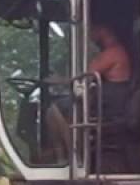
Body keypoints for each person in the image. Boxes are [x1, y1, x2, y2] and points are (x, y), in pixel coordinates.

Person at [43, 22, 134, 161]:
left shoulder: (112, 53)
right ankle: (64, 154)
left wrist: (59, 80)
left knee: (54, 110)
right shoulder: (117, 51)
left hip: (108, 105)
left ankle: (72, 155)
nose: (90, 35)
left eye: (91, 30)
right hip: (104, 100)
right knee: (64, 108)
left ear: (102, 30)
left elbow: (86, 75)